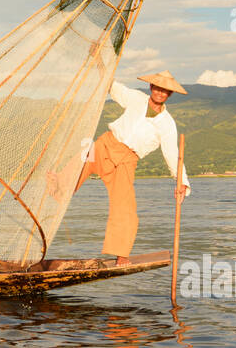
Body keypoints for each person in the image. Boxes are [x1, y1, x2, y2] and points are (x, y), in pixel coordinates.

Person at [50, 71, 190, 265]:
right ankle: (59, 187)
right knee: (83, 155)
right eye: (157, 88)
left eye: (164, 91)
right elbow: (114, 87)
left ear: (169, 95)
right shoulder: (137, 99)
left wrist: (181, 181)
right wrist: (101, 62)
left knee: (126, 208)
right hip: (106, 144)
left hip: (126, 160)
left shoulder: (167, 124)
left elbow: (172, 153)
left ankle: (121, 254)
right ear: (151, 88)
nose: (159, 93)